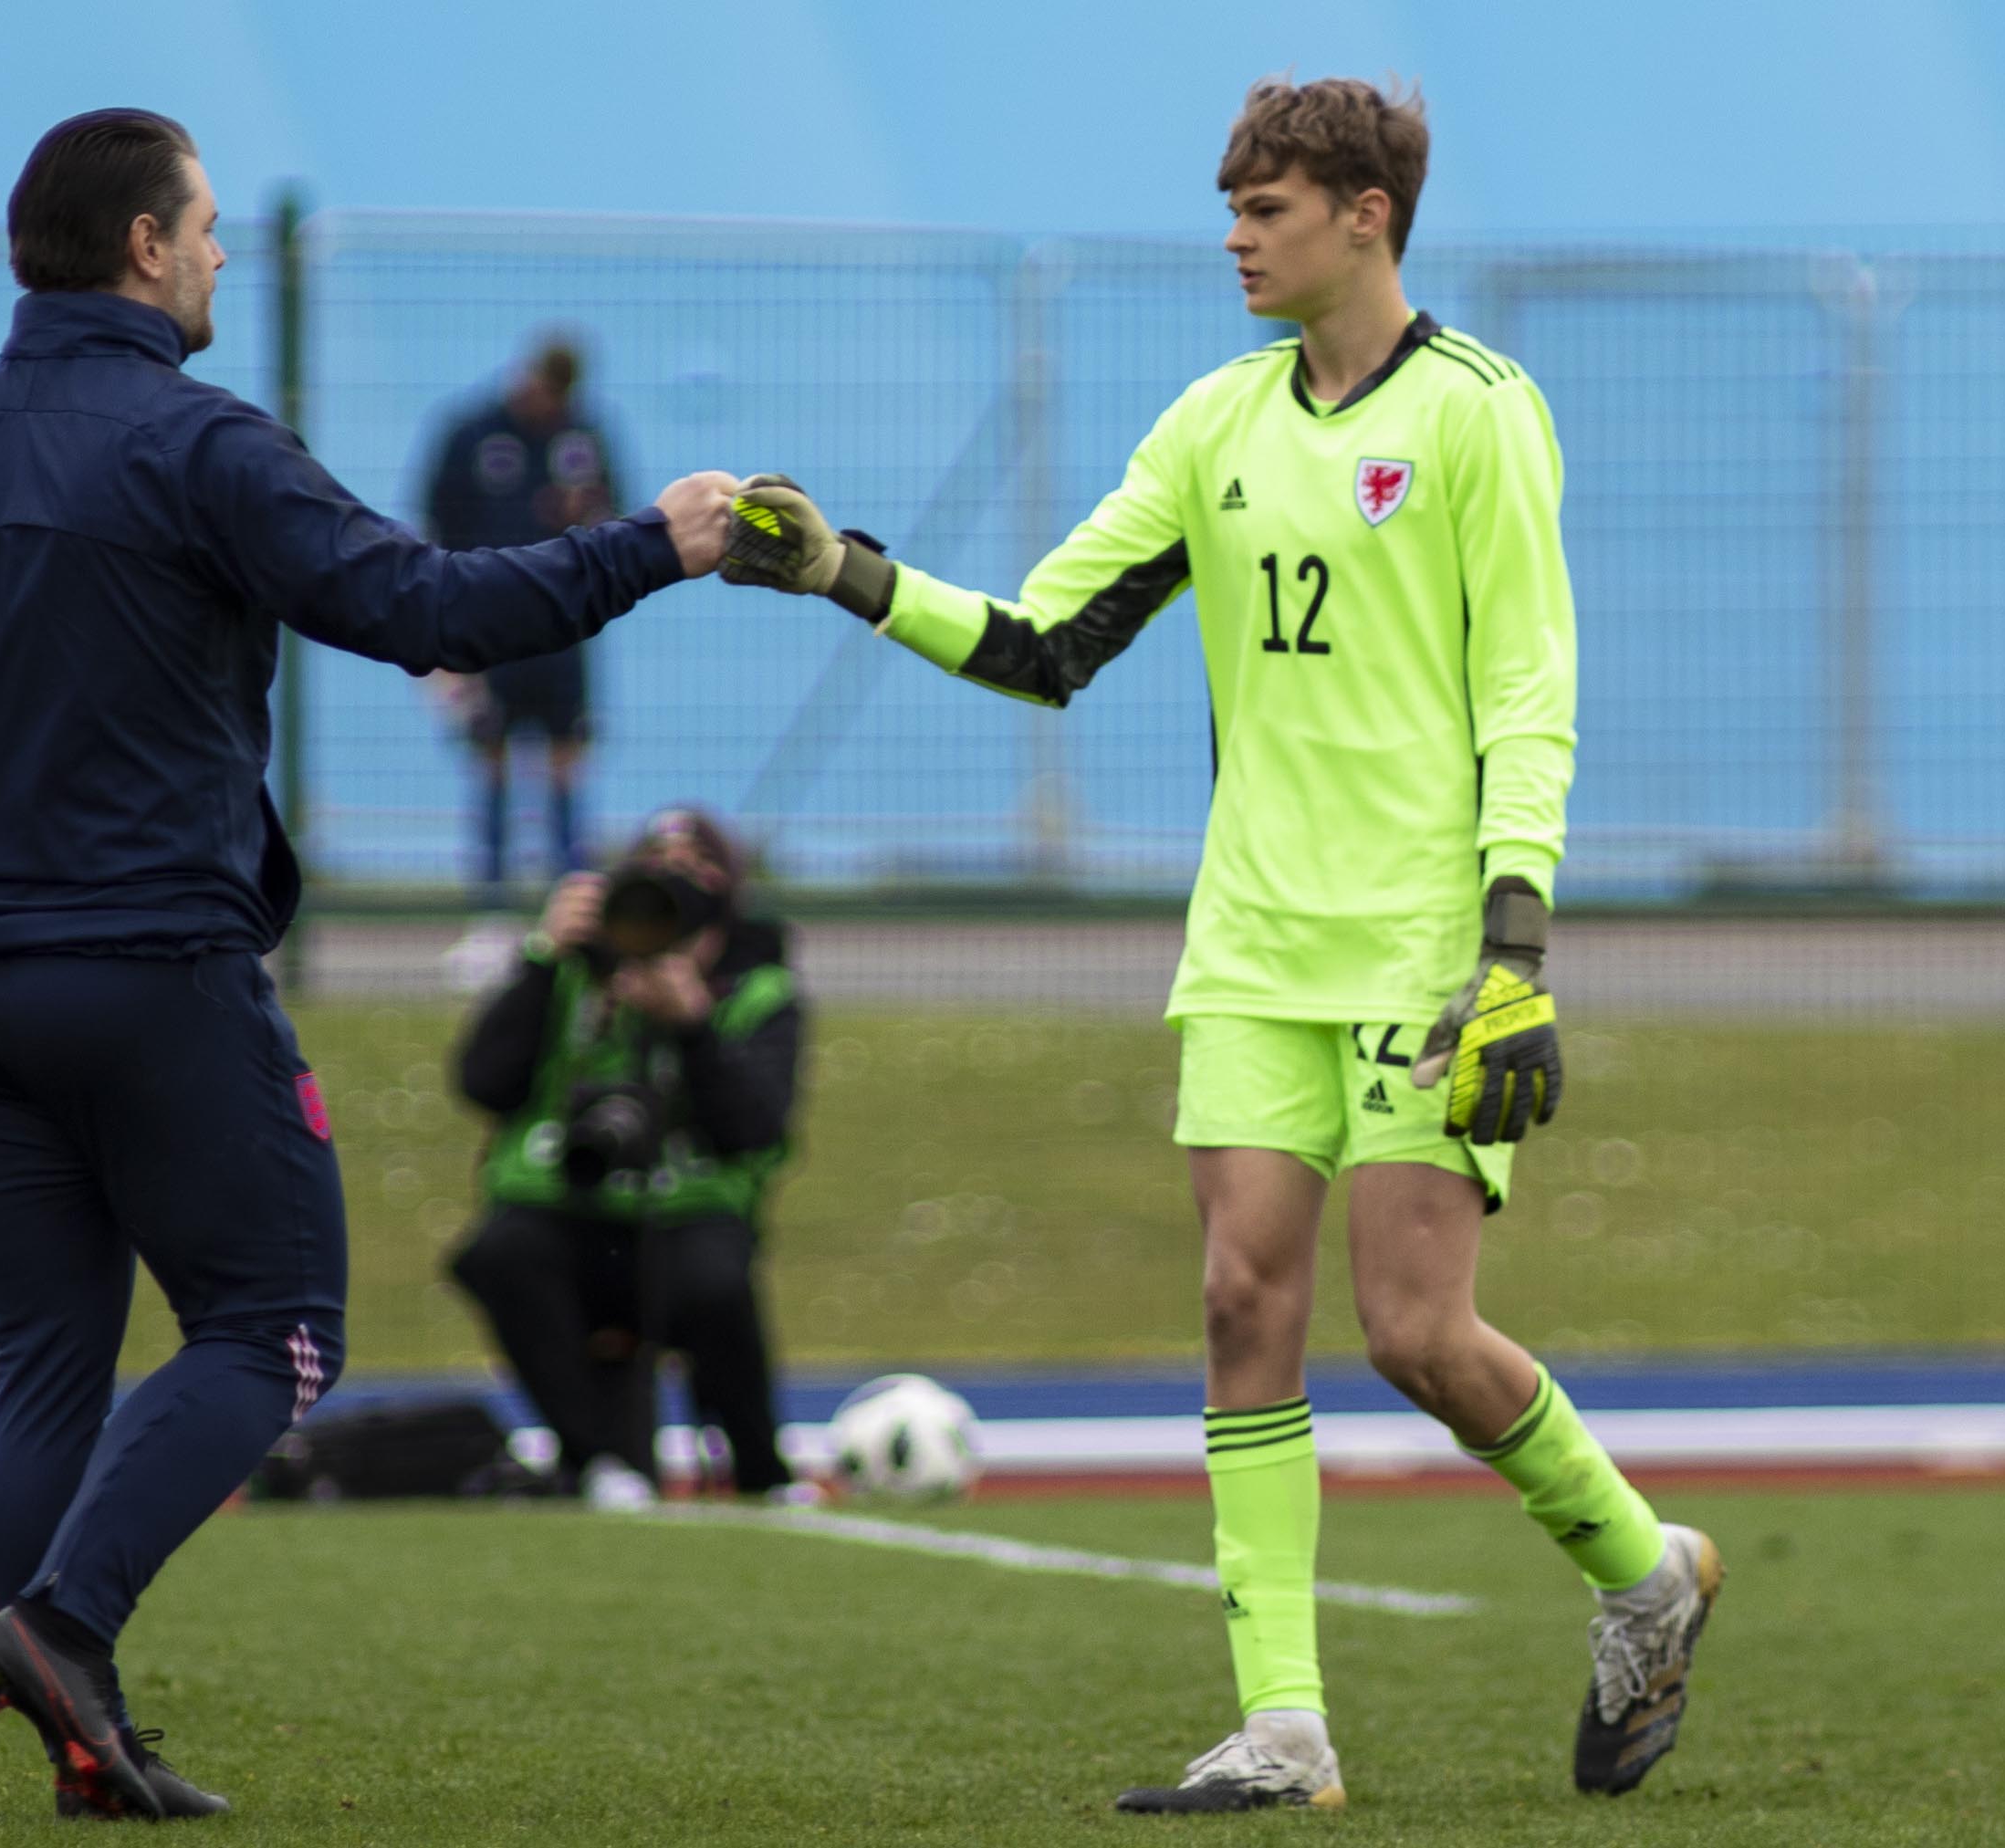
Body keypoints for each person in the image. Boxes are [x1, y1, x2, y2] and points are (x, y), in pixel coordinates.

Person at [719, 77, 1721, 1812]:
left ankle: (1644, 1576)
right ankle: (1286, 1730)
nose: (1237, 238)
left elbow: (1529, 697)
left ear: (1366, 216)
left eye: (1266, 209)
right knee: (1240, 1298)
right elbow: (1044, 641)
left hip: (1427, 959)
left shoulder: (1484, 415)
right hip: (1253, 947)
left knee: (1416, 1333)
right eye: (1233, 209)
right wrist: (843, 576)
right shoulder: (1213, 425)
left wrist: (1515, 952)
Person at [0, 108, 736, 1821]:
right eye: (203, 224)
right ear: (145, 247)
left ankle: (83, 1726)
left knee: (59, 1356)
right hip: (151, 966)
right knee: (277, 1328)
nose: (220, 249)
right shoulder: (202, 445)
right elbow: (427, 609)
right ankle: (62, 1622)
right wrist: (650, 545)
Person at [445, 807, 803, 1509]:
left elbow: (754, 1128)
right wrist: (545, 957)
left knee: (715, 1284)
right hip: (565, 1204)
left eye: (694, 883)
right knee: (498, 1253)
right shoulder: (569, 971)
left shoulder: (760, 990)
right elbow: (484, 1083)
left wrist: (692, 1024)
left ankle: (761, 1468)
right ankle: (597, 1460)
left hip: (689, 1213)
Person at [420, 338, 622, 916]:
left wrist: (584, 513)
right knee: (491, 766)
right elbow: (434, 527)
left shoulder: (584, 435)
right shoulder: (472, 433)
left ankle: (576, 910)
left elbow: (618, 522)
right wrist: (444, 643)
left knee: (566, 767)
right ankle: (492, 912)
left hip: (562, 635)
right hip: (486, 630)